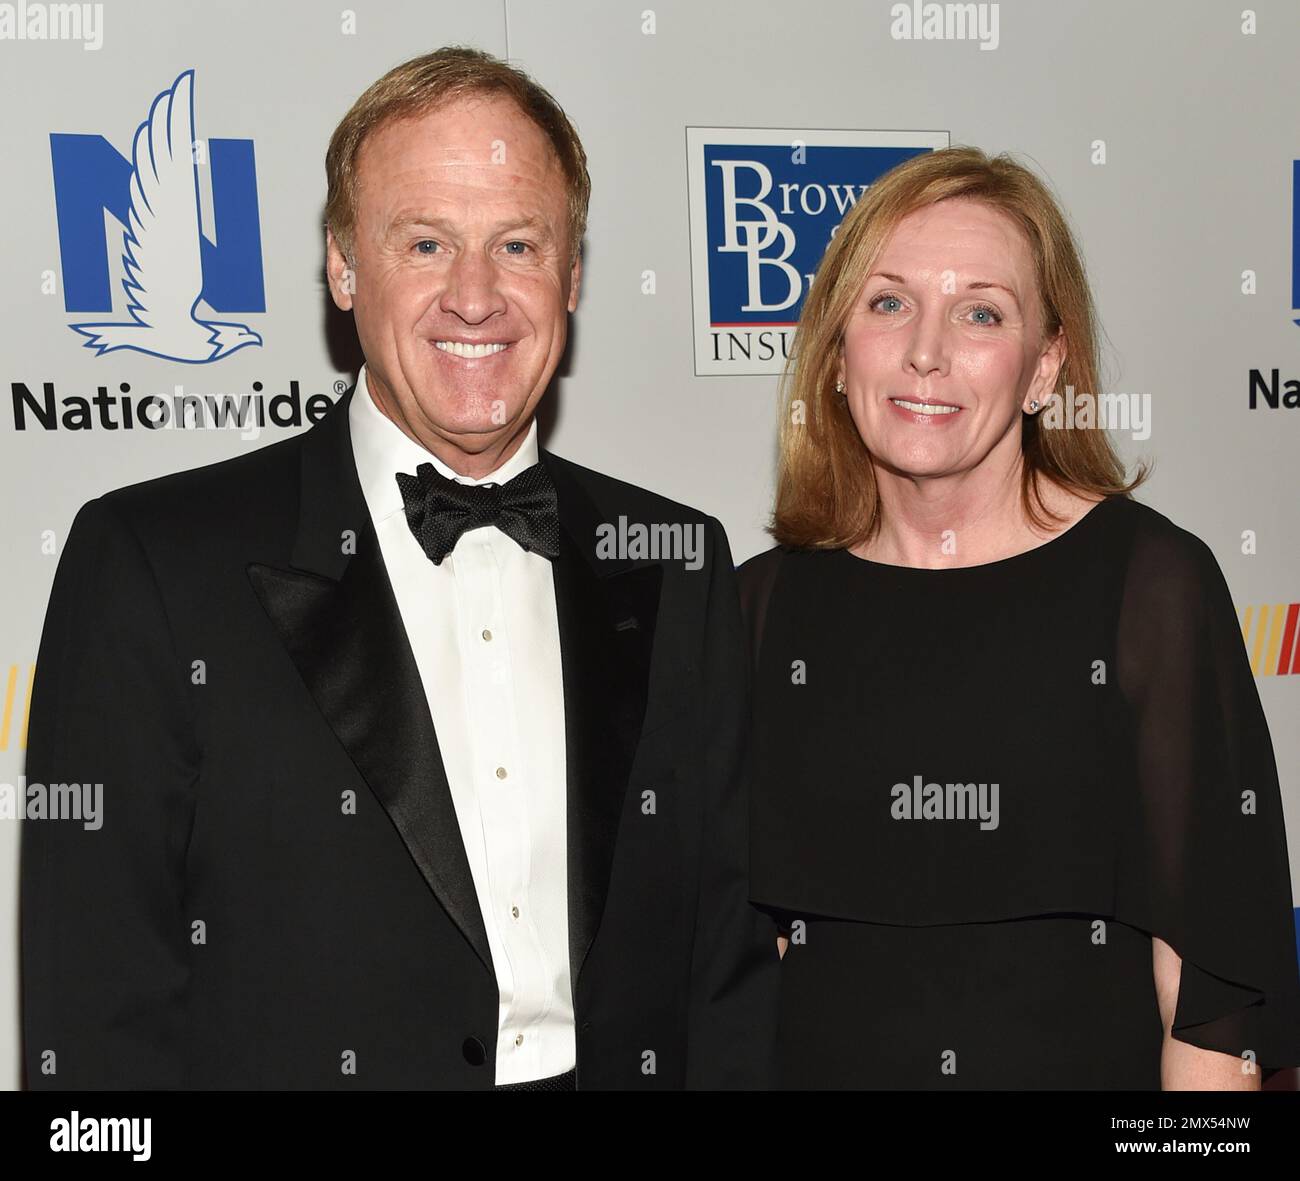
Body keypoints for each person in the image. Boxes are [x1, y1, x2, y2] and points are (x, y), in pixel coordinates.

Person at [22, 46, 779, 1091]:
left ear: (571, 272)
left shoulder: (679, 561)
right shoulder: (151, 562)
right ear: (342, 264)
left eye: (518, 244)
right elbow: (97, 996)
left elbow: (722, 970)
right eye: (425, 242)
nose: (476, 297)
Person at [739, 145, 1300, 1089]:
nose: (927, 349)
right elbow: (742, 976)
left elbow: (1210, 1008)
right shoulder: (759, 609)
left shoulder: (1150, 591)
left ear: (1045, 369)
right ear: (837, 352)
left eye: (980, 312)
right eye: (888, 302)